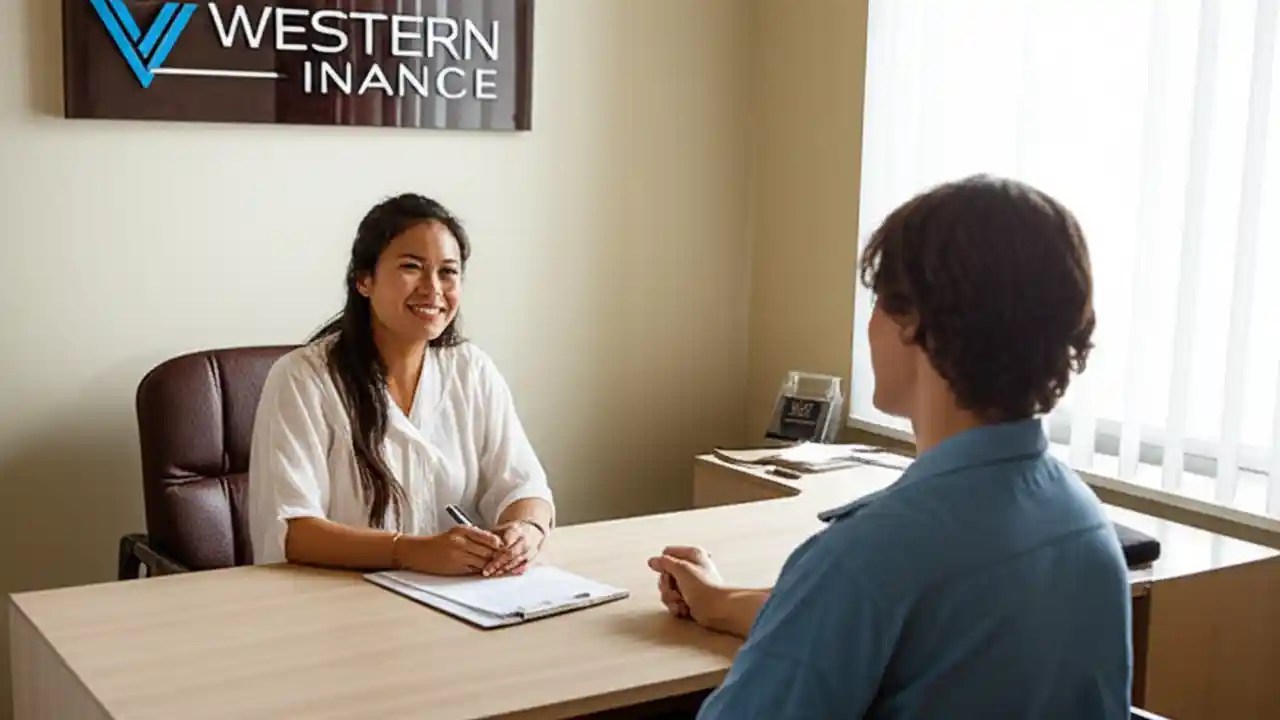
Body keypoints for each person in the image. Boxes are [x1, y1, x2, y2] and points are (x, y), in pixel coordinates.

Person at [649, 175, 1132, 718]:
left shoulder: (868, 556)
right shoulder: (1083, 523)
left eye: (878, 301)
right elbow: (901, 630)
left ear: (914, 322)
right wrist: (720, 603)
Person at [247, 193, 555, 578]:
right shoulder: (303, 378)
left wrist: (525, 531)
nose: (433, 288)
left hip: (460, 600)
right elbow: (293, 531)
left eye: (448, 272)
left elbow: (525, 487)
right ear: (364, 279)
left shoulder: (471, 370)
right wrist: (409, 552)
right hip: (335, 602)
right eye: (412, 267)